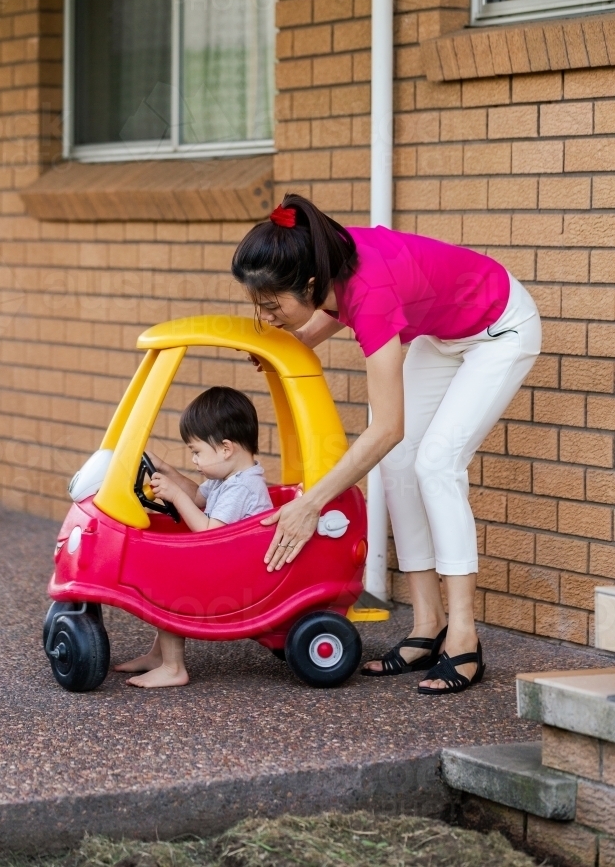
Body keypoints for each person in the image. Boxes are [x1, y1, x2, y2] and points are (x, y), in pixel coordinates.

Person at [231, 195, 541, 696]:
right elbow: (339, 305)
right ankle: (427, 625)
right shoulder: (325, 256)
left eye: (272, 306)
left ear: (309, 284)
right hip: (443, 332)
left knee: (437, 464)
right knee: (398, 464)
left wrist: (311, 503)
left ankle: (463, 638)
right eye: (258, 305)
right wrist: (296, 341)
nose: (266, 316)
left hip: (499, 328)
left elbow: (386, 425)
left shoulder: (367, 289)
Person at [115, 386, 273, 689]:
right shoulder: (228, 477)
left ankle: (174, 668)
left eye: (197, 452)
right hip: (233, 563)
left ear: (226, 449)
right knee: (167, 565)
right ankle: (159, 656)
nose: (195, 460)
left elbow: (209, 533)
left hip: (241, 578)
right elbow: (199, 498)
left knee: (169, 580)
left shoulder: (241, 488)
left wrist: (174, 494)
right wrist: (164, 469)